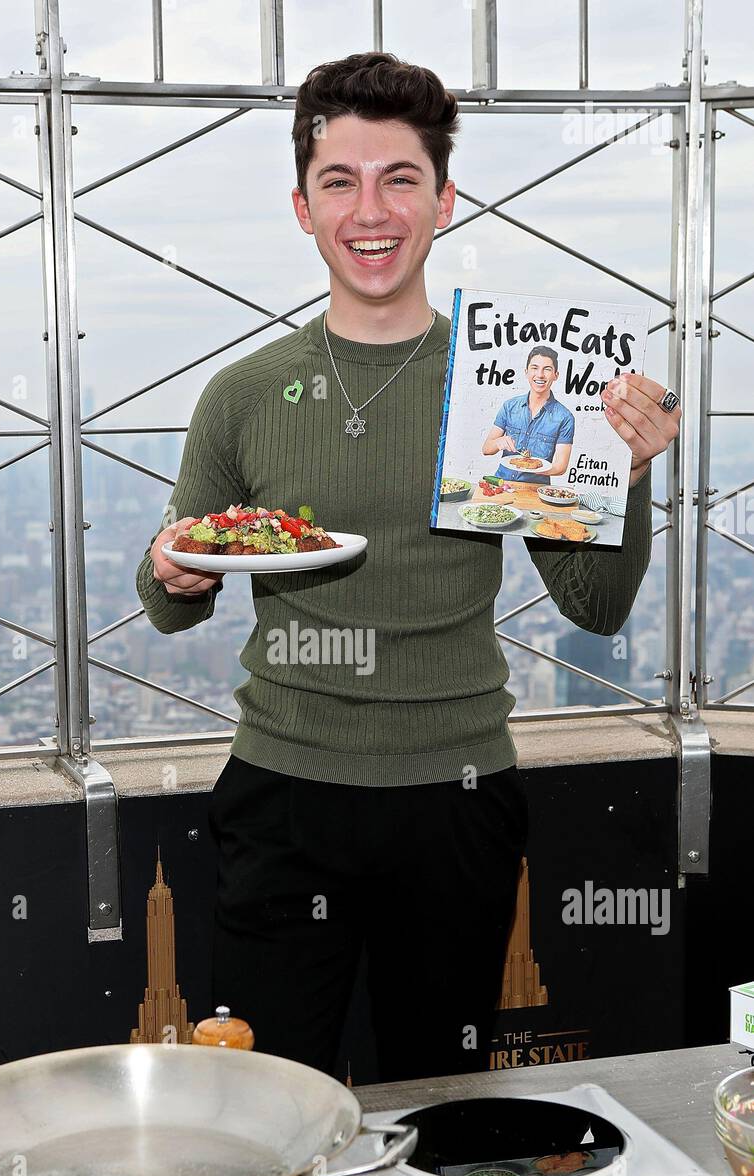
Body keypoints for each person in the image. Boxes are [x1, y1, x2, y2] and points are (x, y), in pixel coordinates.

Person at [135, 52, 681, 1084]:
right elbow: (167, 604)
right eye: (339, 180)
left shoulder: (492, 383)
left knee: (440, 1100)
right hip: (281, 791)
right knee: (263, 1100)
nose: (368, 208)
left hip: (453, 796)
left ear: (443, 198)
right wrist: (172, 572)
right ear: (302, 207)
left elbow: (595, 607)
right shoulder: (243, 394)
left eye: (398, 178)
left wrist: (625, 473)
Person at [483, 345, 575, 481]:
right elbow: (486, 449)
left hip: (535, 490)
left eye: (547, 369)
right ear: (526, 372)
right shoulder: (510, 406)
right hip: (502, 484)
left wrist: (535, 467)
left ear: (556, 375)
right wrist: (498, 442)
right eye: (534, 368)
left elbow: (561, 466)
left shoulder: (565, 417)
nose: (540, 374)